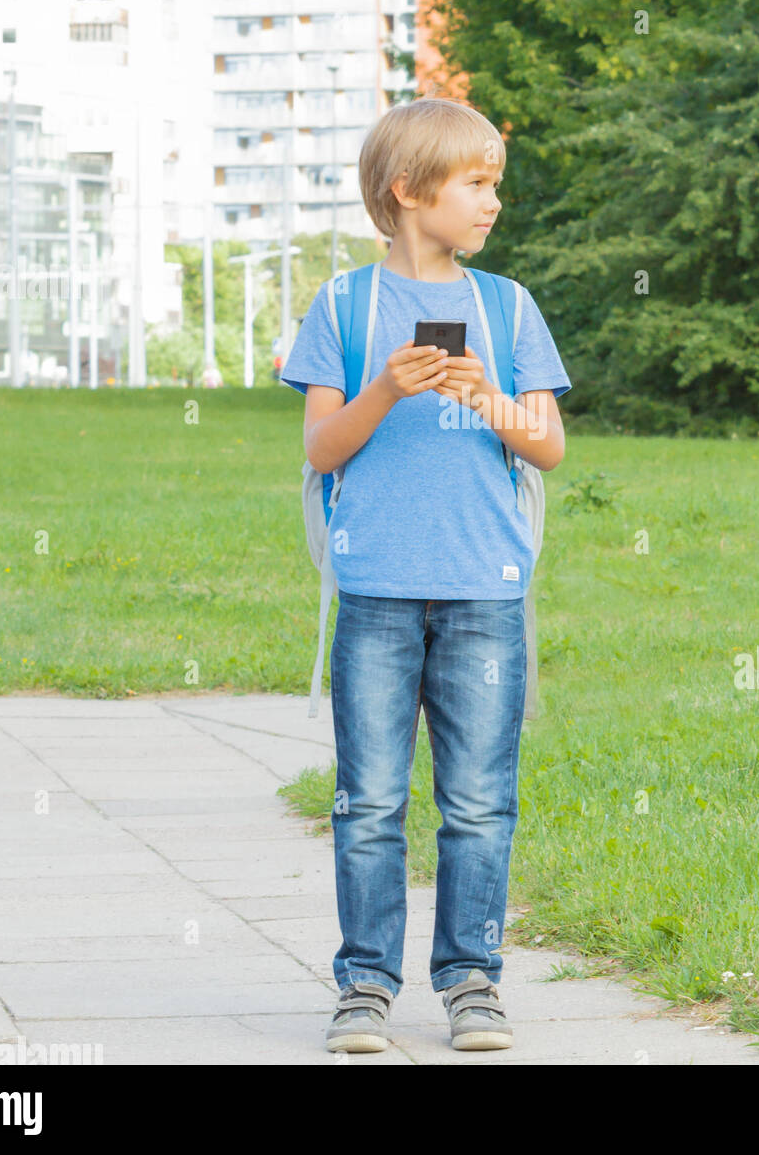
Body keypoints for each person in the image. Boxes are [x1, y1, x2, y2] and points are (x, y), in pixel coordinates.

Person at [280, 98, 571, 1053]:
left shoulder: (507, 305)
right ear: (409, 192)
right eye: (475, 184)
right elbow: (323, 448)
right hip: (375, 592)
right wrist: (387, 388)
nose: (492, 202)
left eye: (494, 183)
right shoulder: (344, 306)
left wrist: (484, 393)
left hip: (486, 592)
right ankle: (364, 987)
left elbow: (549, 446)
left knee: (479, 801)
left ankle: (472, 983)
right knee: (367, 801)